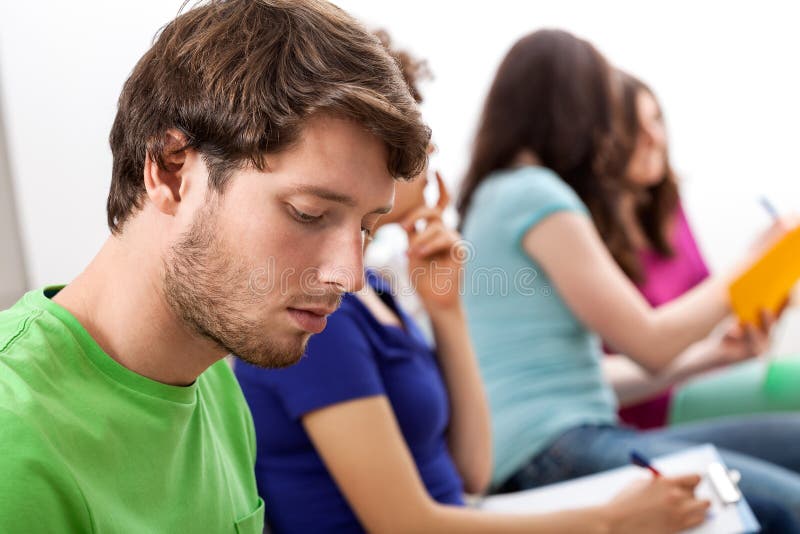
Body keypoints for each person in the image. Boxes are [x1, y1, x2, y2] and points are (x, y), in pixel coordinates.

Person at [235, 34, 711, 534]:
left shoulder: (374, 291)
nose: (430, 149)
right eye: (410, 139)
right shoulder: (322, 313)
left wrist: (448, 311)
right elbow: (405, 523)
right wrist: (612, 519)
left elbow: (473, 473)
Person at [0, 1, 431, 532]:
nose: (349, 275)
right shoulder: (13, 439)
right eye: (308, 214)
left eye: (366, 228)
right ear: (172, 171)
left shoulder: (216, 385)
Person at [457, 28, 800, 527]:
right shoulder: (536, 195)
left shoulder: (498, 197)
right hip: (552, 449)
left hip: (557, 441)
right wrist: (756, 261)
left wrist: (715, 355)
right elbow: (651, 342)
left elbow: (582, 380)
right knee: (788, 504)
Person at [601, 71, 792, 429]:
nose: (655, 138)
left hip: (704, 377)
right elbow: (649, 346)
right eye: (635, 128)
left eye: (657, 120)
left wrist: (764, 284)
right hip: (650, 404)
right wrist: (748, 268)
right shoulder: (584, 237)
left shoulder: (668, 212)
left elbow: (707, 309)